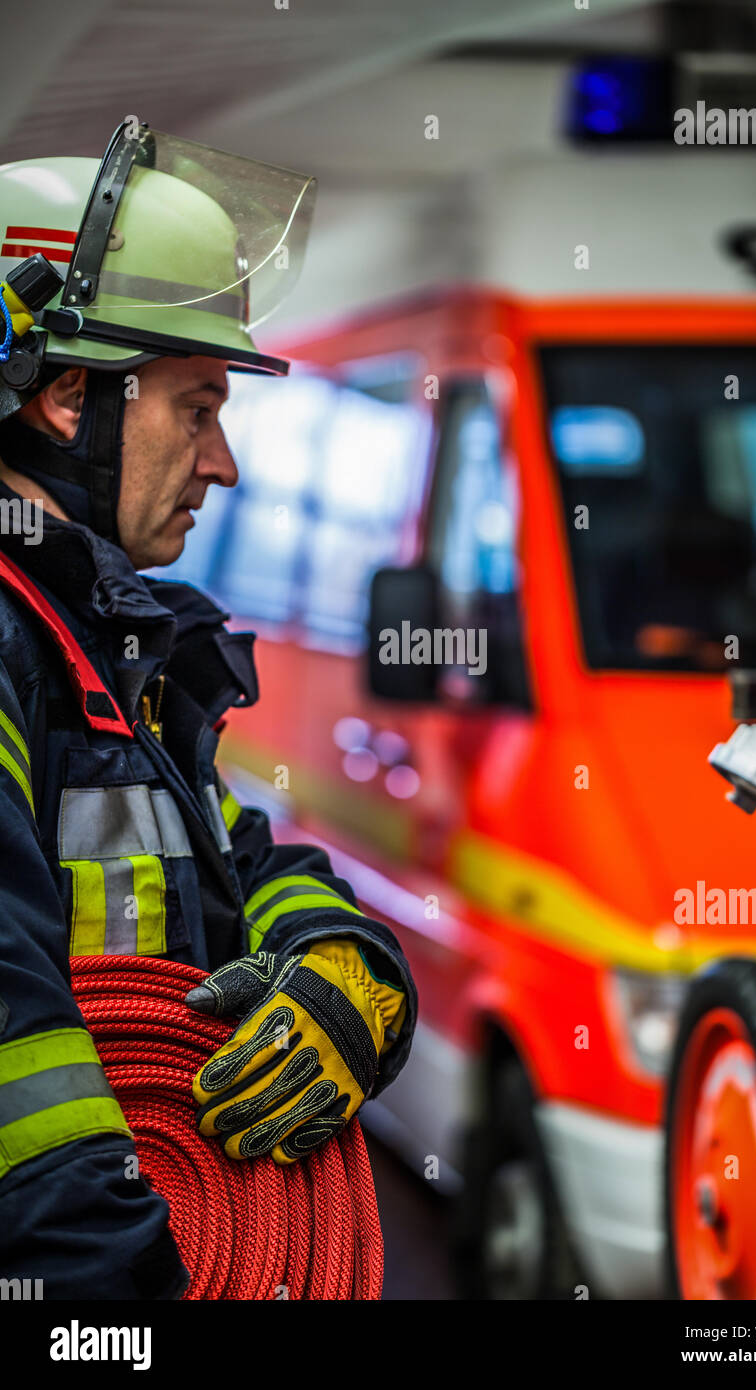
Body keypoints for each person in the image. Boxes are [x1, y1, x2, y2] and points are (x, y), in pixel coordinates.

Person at [0, 120, 417, 1298]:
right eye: (196, 408)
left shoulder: (91, 646)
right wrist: (127, 1294)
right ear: (70, 399)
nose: (222, 461)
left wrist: (341, 961)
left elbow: (230, 864)